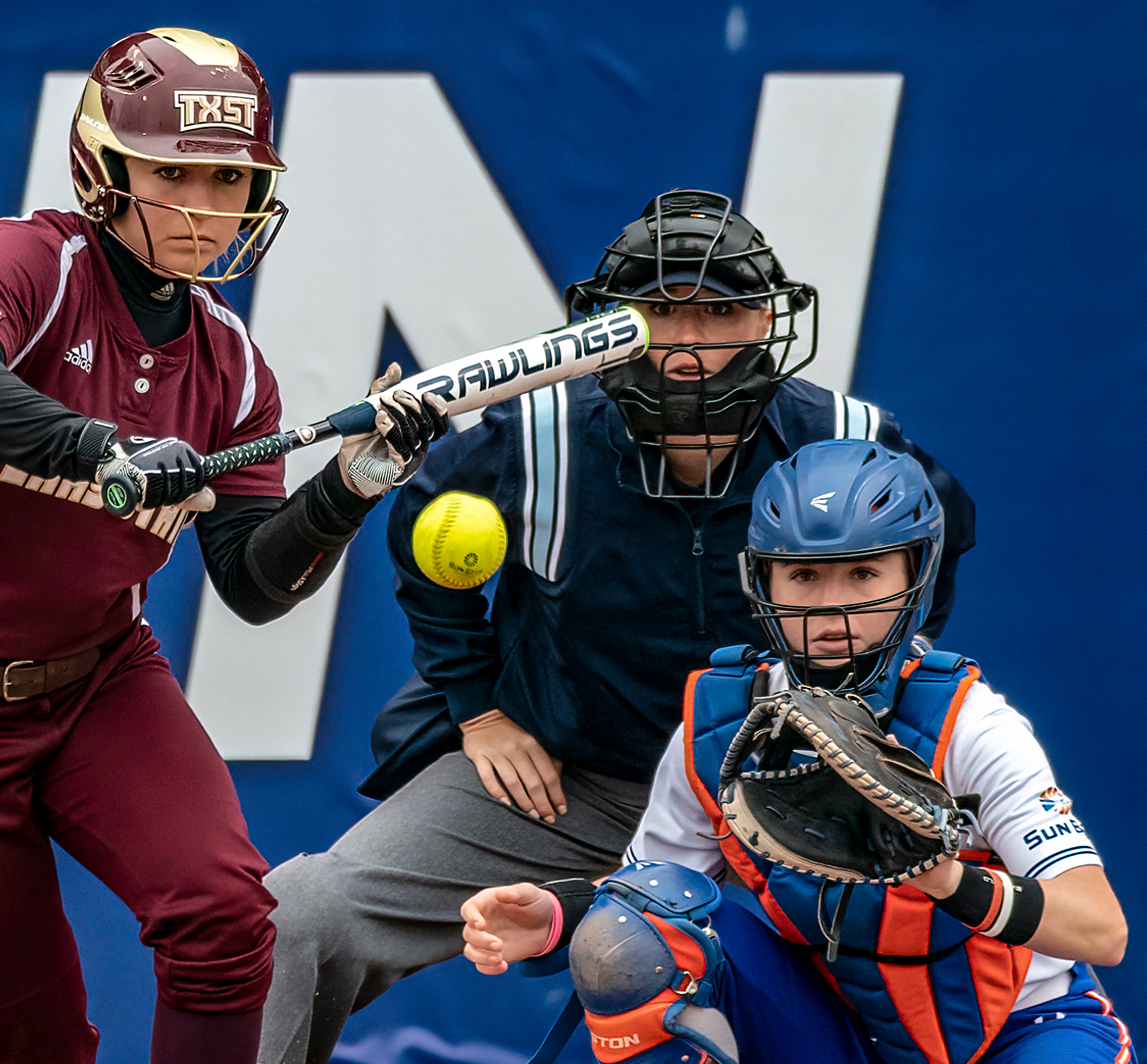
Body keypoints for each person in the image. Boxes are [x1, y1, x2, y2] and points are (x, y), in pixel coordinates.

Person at [0, 28, 446, 1064]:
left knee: (225, 922)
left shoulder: (233, 365)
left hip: (101, 680)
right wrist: (99, 449)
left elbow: (252, 581)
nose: (208, 205)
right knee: (36, 1038)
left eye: (230, 178)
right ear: (101, 171)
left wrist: (350, 484)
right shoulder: (32, 259)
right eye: (175, 173)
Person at [259, 191, 974, 1061]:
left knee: (897, 971)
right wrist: (478, 707)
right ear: (610, 325)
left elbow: (938, 539)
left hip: (783, 799)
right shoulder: (539, 437)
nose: (691, 344)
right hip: (568, 787)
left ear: (768, 321)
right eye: (662, 311)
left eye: (722, 311)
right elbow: (423, 537)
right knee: (298, 913)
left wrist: (858, 716)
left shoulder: (845, 438)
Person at [459, 439, 1133, 1064]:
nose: (831, 611)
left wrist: (943, 877)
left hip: (1021, 1029)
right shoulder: (723, 726)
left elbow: (1101, 930)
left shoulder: (972, 726)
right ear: (762, 582)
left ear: (915, 575)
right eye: (804, 576)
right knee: (635, 930)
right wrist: (554, 918)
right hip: (841, 1032)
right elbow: (648, 898)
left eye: (863, 574)